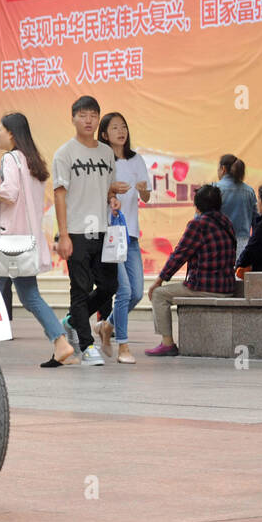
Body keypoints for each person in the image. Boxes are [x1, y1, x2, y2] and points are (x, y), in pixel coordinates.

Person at [0, 114, 72, 367]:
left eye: (0, 130)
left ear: (12, 133)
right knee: (30, 296)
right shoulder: (33, 162)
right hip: (22, 243)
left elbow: (9, 194)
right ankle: (60, 341)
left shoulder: (10, 159)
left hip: (2, 242)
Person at [52, 96, 121, 367]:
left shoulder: (106, 153)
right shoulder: (64, 153)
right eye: (83, 115)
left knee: (109, 286)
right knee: (80, 289)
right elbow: (59, 195)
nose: (89, 120)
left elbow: (107, 188)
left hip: (102, 230)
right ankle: (86, 345)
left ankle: (71, 320)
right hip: (77, 231)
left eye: (93, 115)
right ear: (73, 119)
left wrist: (112, 199)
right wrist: (64, 234)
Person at [146, 184, 237, 355]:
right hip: (227, 286)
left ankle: (167, 344)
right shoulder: (227, 222)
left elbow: (179, 255)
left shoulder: (198, 224)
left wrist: (158, 281)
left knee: (159, 295)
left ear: (197, 205)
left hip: (206, 287)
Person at [97, 112, 151, 364]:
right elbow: (94, 192)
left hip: (131, 234)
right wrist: (110, 190)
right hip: (110, 233)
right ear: (105, 134)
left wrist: (143, 190)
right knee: (125, 290)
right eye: (115, 127)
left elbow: (147, 196)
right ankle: (124, 347)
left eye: (124, 127)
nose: (121, 131)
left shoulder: (136, 159)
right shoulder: (101, 159)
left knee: (138, 292)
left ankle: (106, 325)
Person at [216, 155, 258, 261]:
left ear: (223, 169)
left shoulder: (214, 189)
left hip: (218, 244)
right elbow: (256, 222)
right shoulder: (249, 191)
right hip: (243, 245)